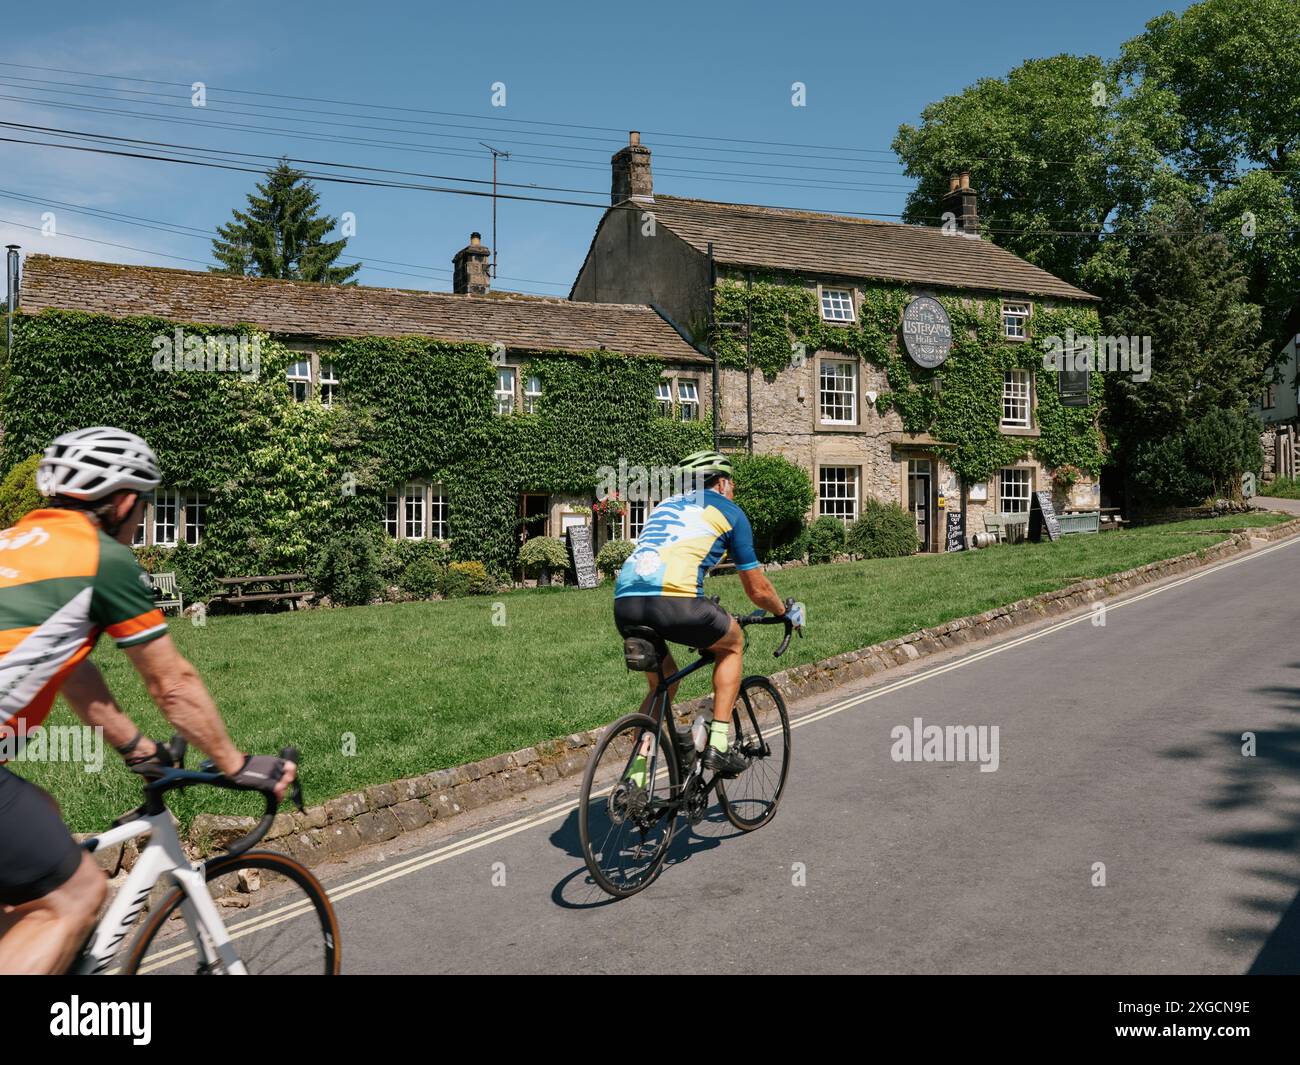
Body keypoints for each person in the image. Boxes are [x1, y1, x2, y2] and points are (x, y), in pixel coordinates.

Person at [0, 427, 296, 975]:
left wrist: (137, 747)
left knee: (40, 821)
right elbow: (173, 685)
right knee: (78, 893)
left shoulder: (14, 543)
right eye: (148, 502)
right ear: (126, 501)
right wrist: (235, 764)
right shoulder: (101, 560)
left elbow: (70, 669)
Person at [613, 450, 804, 779]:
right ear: (723, 483)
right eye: (732, 485)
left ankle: (636, 776)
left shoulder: (664, 507)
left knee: (663, 684)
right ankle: (718, 744)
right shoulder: (730, 511)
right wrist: (785, 612)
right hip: (676, 603)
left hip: (625, 603)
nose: (733, 491)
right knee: (732, 644)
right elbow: (757, 589)